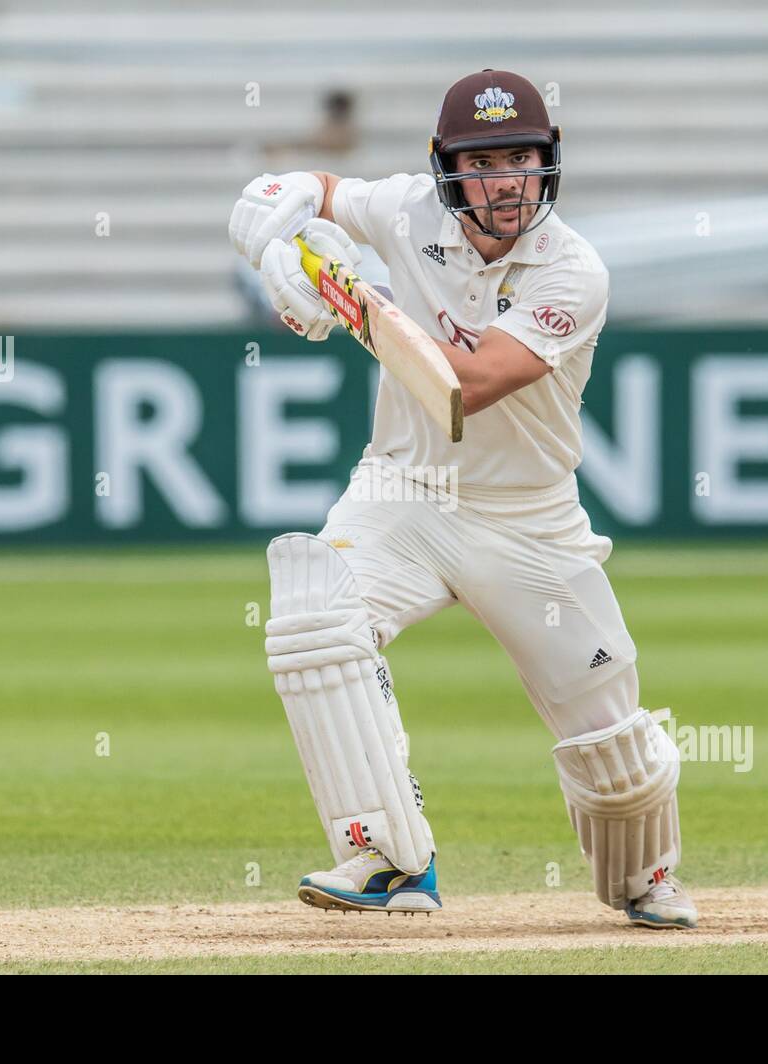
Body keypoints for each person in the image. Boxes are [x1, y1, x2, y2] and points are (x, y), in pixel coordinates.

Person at [228, 69, 697, 928]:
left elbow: (464, 385)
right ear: (448, 170)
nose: (508, 180)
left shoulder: (574, 272)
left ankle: (645, 873)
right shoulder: (410, 210)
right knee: (313, 617)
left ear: (548, 164)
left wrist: (344, 293)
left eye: (523, 157)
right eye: (485, 162)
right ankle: (390, 857)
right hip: (402, 490)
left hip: (529, 521)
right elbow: (302, 191)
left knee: (612, 748)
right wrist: (278, 245)